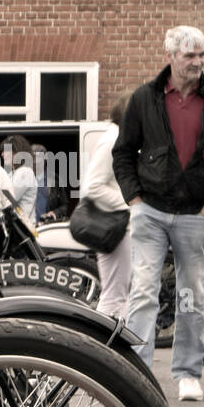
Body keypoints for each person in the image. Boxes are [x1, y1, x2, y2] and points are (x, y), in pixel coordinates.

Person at [114, 25, 204, 402]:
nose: (198, 62)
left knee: (191, 295)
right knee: (143, 292)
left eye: (202, 55)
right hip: (150, 211)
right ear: (170, 56)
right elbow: (123, 154)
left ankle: (187, 373)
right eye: (190, 56)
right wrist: (134, 199)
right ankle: (138, 374)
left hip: (197, 216)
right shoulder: (144, 98)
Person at [79, 94, 132, 319]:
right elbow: (93, 187)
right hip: (115, 225)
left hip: (117, 225)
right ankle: (104, 348)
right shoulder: (114, 140)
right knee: (115, 295)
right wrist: (130, 203)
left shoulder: (116, 137)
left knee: (120, 293)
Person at [1, 133, 38, 222]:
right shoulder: (12, 174)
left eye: (6, 151)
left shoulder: (25, 172)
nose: (2, 154)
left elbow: (7, 200)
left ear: (17, 152)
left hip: (23, 229)